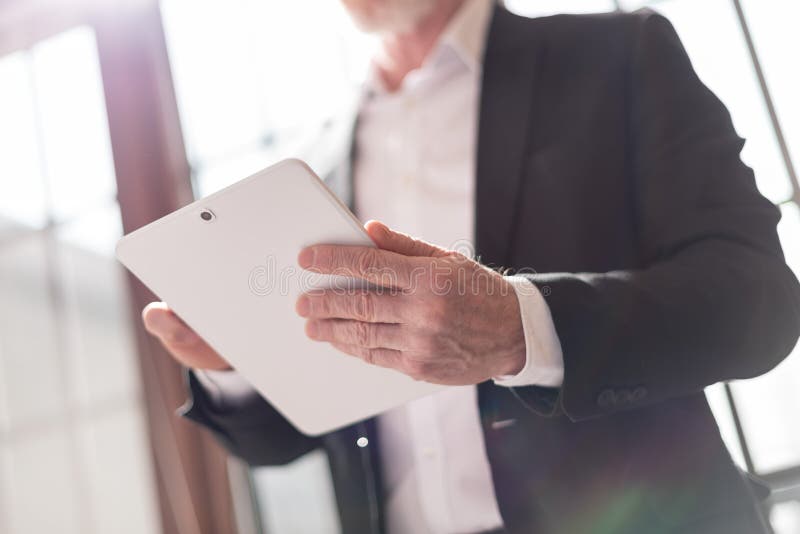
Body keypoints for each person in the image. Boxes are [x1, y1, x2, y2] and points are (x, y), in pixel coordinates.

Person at [142, 0, 800, 533]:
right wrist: (234, 367)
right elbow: (282, 444)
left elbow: (760, 301)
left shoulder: (620, 54)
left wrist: (522, 330)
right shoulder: (310, 171)